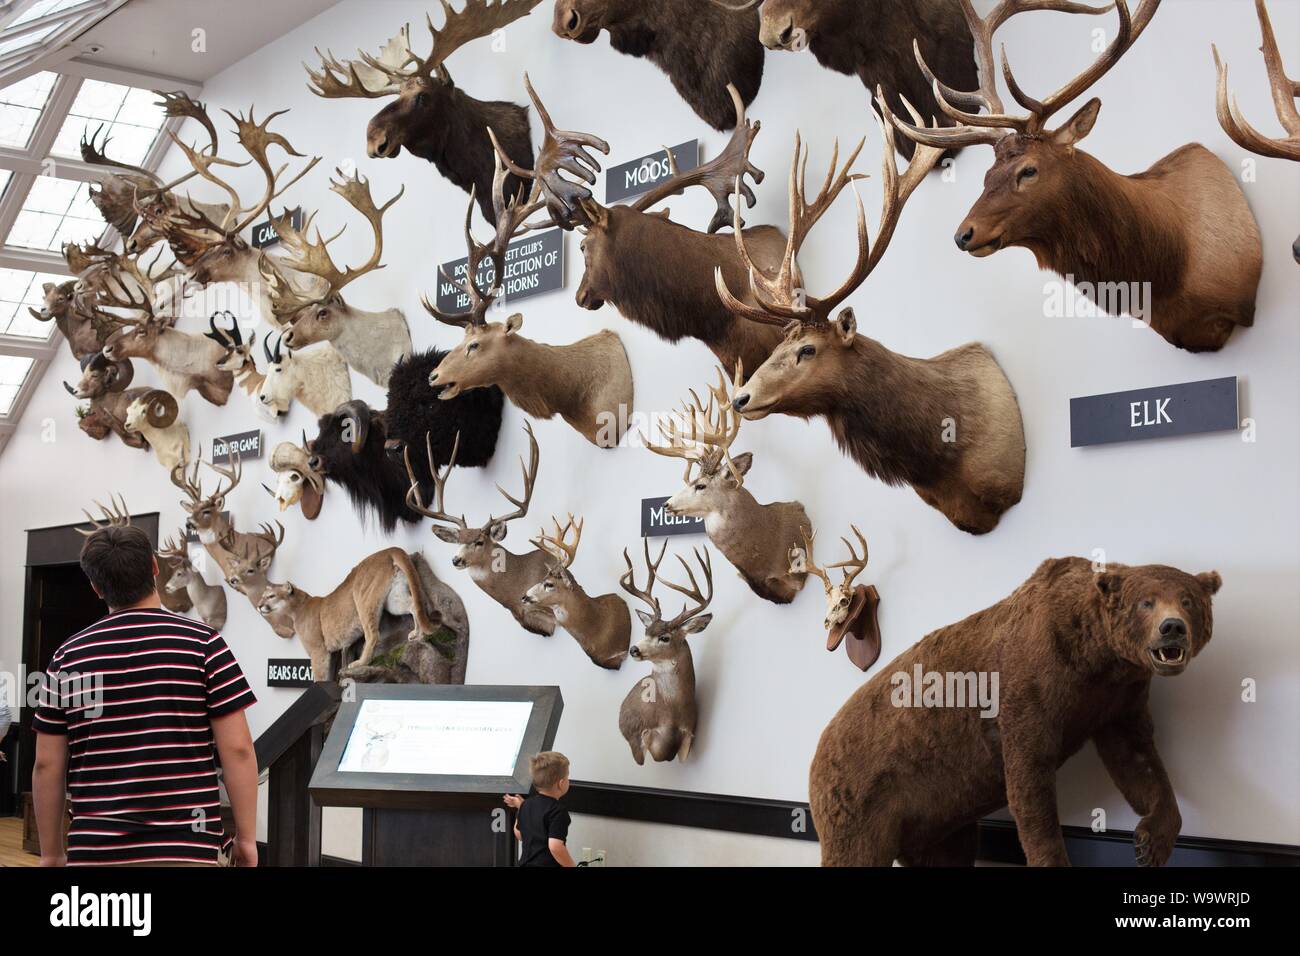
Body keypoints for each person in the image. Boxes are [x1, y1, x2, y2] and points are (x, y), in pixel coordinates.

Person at [31, 522, 259, 867]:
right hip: (187, 846)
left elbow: (47, 764)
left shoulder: (69, 657)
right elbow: (239, 750)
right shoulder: (204, 645)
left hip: (97, 848)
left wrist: (50, 854)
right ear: (155, 567)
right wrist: (245, 838)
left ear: (95, 587)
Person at [503, 751, 576, 867]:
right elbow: (555, 846)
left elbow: (519, 834)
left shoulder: (526, 805)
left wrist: (521, 809)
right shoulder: (558, 811)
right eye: (567, 777)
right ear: (561, 784)